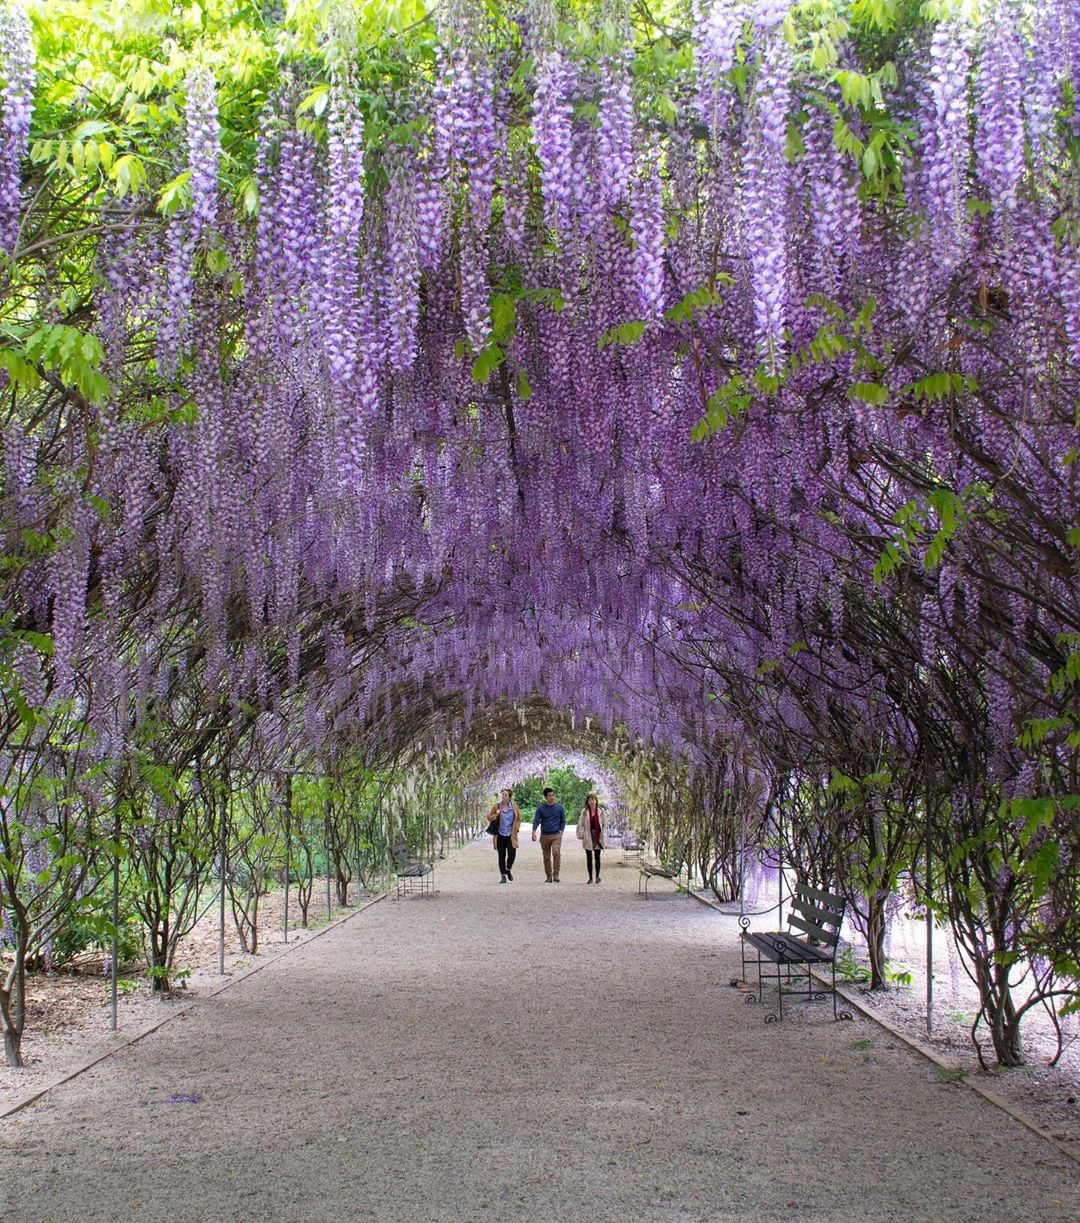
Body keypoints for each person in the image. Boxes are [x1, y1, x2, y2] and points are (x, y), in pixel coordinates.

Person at [487, 788, 521, 884]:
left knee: (512, 855)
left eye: (505, 795)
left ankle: (508, 869)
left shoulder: (514, 807)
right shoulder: (496, 807)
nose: (503, 797)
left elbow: (519, 819)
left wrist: (516, 829)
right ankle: (503, 876)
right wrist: (496, 815)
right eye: (502, 795)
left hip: (510, 835)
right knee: (501, 855)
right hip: (500, 834)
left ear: (509, 797)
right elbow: (489, 817)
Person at [531, 786, 566, 882]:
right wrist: (533, 832)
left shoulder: (559, 808)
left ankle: (556, 874)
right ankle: (548, 875)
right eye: (549, 795)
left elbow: (563, 821)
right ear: (546, 797)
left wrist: (561, 832)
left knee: (556, 853)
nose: (552, 797)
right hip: (545, 835)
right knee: (546, 856)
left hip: (556, 834)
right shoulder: (541, 809)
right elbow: (536, 821)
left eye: (553, 795)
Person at [576, 793, 605, 883]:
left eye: (593, 800)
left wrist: (602, 832)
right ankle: (590, 878)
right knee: (589, 857)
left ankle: (597, 876)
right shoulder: (584, 812)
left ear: (596, 801)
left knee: (597, 857)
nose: (592, 802)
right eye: (590, 800)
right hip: (588, 835)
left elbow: (604, 823)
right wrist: (582, 834)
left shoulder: (600, 811)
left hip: (597, 835)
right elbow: (580, 823)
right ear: (588, 802)